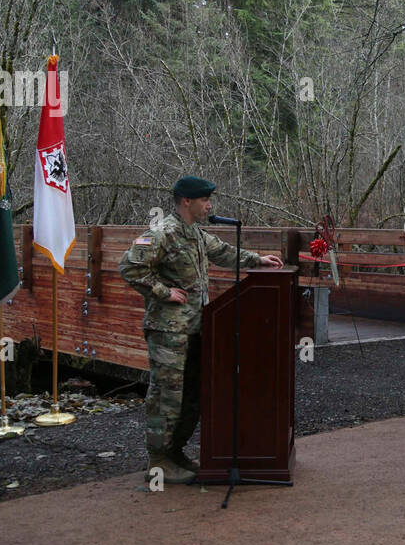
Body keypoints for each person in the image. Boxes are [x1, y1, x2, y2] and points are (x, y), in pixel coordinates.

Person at [118, 176, 285, 483]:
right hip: (169, 332)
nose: (210, 205)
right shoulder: (163, 233)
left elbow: (222, 251)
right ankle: (158, 460)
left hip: (196, 329)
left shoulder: (194, 232)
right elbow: (128, 267)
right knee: (166, 396)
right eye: (205, 200)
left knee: (192, 395)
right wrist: (163, 292)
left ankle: (175, 451)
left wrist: (257, 260)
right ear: (187, 201)